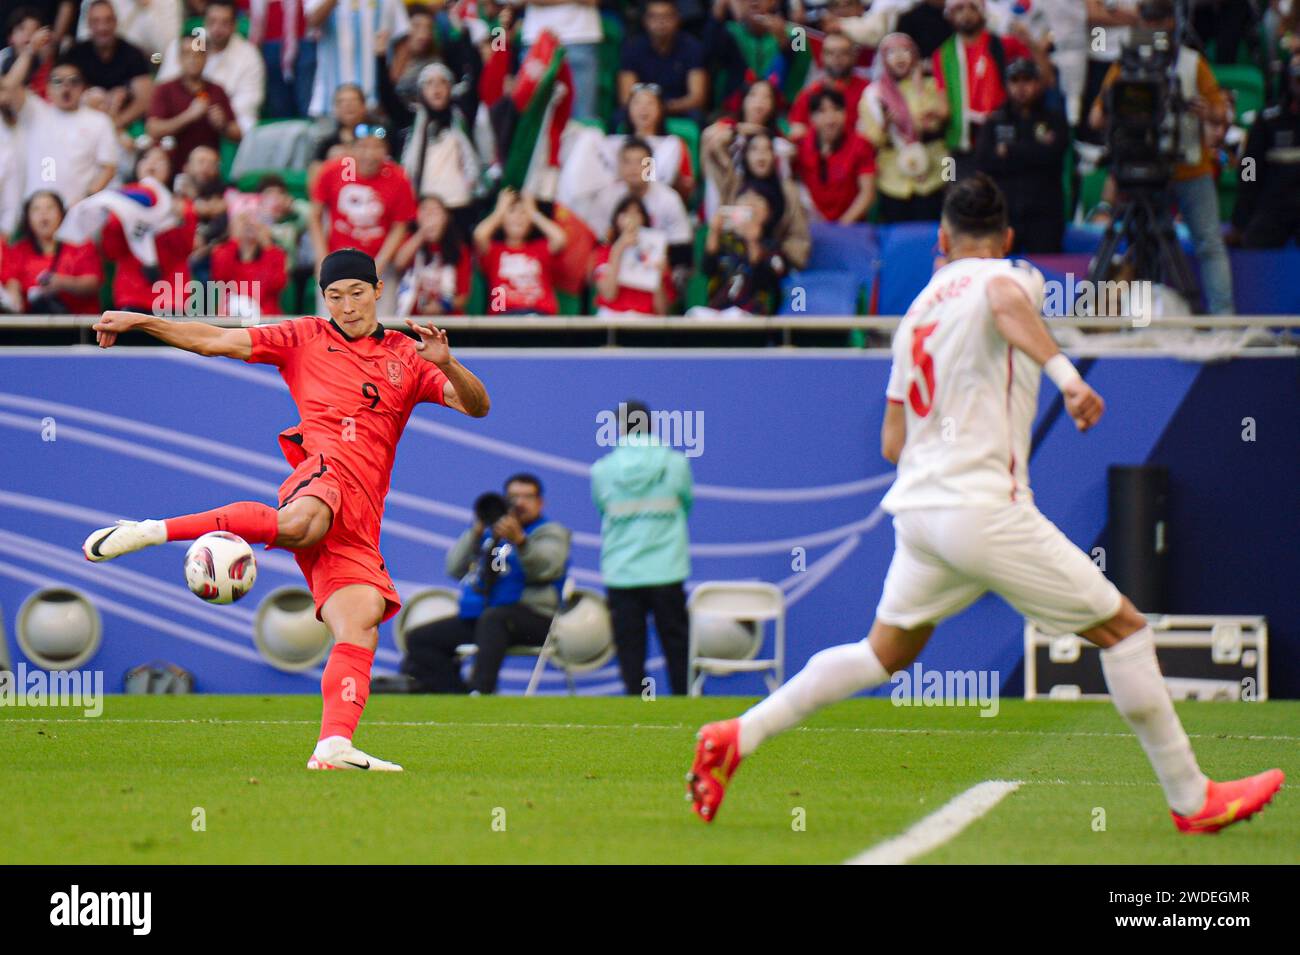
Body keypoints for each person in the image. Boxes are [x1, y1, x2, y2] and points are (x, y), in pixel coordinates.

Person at [685, 174, 1286, 834]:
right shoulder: (1009, 276)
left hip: (919, 516)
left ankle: (736, 733)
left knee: (880, 655)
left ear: (940, 239)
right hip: (979, 507)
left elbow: (892, 440)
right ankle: (1192, 797)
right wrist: (1068, 378)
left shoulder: (916, 311)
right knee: (1125, 630)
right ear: (1005, 239)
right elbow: (1002, 297)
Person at [84, 247, 492, 772]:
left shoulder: (407, 357)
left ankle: (333, 747)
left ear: (377, 291)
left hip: (363, 517)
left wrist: (449, 364)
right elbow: (215, 340)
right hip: (322, 472)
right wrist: (144, 321)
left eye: (356, 293)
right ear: (324, 299)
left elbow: (477, 406)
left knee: (361, 621)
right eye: (335, 296)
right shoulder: (303, 336)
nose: (346, 305)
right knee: (302, 523)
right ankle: (151, 530)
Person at [1087, 0, 1235, 314]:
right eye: (1148, 18)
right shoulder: (1124, 63)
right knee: (1140, 248)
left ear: (1172, 21)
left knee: (1209, 244)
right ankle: (1138, 317)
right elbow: (1095, 119)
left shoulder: (1191, 62)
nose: (1154, 25)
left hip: (1189, 166)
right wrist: (1118, 108)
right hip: (1140, 166)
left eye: (1161, 18)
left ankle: (1224, 320)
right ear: (1140, 20)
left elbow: (1223, 113)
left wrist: (1206, 110)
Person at [401, 474, 571, 694]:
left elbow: (548, 567)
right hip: (486, 617)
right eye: (513, 497)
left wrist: (520, 540)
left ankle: (481, 691)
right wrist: (477, 530)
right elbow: (454, 568)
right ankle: (457, 697)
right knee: (421, 638)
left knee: (495, 618)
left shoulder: (550, 531)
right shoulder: (491, 534)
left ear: (540, 502)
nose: (519, 503)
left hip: (534, 617)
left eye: (526, 497)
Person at [592, 400, 693, 696]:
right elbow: (685, 504)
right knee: (676, 643)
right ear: (650, 423)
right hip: (668, 569)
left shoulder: (603, 469)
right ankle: (683, 703)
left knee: (630, 647)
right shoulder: (676, 463)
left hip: (621, 571)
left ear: (619, 426)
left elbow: (603, 509)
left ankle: (635, 708)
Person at [933, 0, 1053, 179]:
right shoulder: (942, 54)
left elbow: (1046, 80)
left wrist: (1030, 42)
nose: (966, 14)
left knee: (999, 202)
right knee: (958, 199)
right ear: (949, 14)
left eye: (972, 7)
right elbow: (943, 102)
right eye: (959, 8)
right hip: (961, 146)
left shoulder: (1003, 44)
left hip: (1001, 142)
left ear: (983, 12)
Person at [0, 33, 118, 206]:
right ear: (47, 87)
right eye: (58, 81)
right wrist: (30, 51)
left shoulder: (99, 121)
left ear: (83, 87)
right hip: (36, 209)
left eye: (73, 81)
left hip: (77, 210)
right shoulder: (35, 111)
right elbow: (9, 87)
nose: (66, 87)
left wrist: (85, 200)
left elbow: (108, 166)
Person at [975, 57, 1068, 253]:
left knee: (1046, 272)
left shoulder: (1054, 118)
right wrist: (1034, 150)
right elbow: (984, 162)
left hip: (1045, 213)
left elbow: (1053, 157)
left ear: (1038, 83)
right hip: (1007, 213)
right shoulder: (995, 120)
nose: (1021, 87)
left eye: (1027, 80)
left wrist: (1010, 151)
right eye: (1015, 81)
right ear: (1007, 84)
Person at [859, 31, 950, 223]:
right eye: (892, 53)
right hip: (893, 179)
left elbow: (937, 121)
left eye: (905, 51)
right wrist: (885, 126)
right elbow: (873, 138)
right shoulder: (873, 95)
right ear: (883, 59)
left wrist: (919, 90)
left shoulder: (931, 85)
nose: (899, 57)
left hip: (933, 174)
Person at [309, 126, 417, 275]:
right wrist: (321, 257)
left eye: (377, 147)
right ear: (351, 148)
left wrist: (378, 265)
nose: (369, 154)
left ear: (386, 151)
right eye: (363, 146)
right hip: (337, 257)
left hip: (380, 260)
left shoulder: (399, 179)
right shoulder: (331, 171)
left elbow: (400, 226)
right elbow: (315, 215)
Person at [156, 0, 265, 136]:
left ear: (234, 25)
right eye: (212, 21)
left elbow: (247, 106)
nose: (217, 29)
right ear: (204, 21)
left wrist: (213, 114)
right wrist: (188, 113)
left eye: (224, 23)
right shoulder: (186, 44)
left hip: (225, 121)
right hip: (180, 120)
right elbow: (164, 88)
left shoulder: (248, 55)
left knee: (247, 126)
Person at [1229, 54, 1300, 249]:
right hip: (1274, 207)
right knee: (1251, 243)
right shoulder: (1269, 119)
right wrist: (1241, 216)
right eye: (1298, 76)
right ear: (1289, 78)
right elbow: (1249, 165)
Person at [147, 34, 241, 175]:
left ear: (206, 57)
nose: (193, 59)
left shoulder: (216, 90)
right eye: (187, 54)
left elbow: (237, 133)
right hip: (172, 170)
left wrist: (223, 125)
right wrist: (189, 116)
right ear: (179, 58)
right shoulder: (165, 89)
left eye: (198, 54)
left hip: (207, 171)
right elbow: (153, 129)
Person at [1, 189, 103, 314]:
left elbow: (92, 283)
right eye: (36, 209)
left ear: (62, 214)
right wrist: (13, 301)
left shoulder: (81, 245)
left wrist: (62, 283)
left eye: (50, 208)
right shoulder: (18, 251)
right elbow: (13, 285)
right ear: (27, 218)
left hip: (76, 325)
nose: (43, 214)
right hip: (31, 325)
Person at [63, 0, 153, 134]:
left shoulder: (133, 53)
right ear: (88, 24)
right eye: (96, 21)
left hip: (124, 126)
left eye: (108, 20)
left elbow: (145, 98)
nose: (102, 27)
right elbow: (65, 92)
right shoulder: (74, 54)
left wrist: (116, 123)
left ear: (116, 22)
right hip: (82, 126)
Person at [472, 187, 566, 315]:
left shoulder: (539, 249)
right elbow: (479, 235)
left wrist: (533, 212)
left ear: (531, 222)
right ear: (500, 222)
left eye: (523, 212)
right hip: (502, 316)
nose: (518, 217)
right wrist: (499, 211)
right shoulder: (494, 251)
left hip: (539, 316)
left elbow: (560, 238)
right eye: (512, 211)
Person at [795, 87, 877, 223]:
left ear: (845, 113)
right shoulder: (801, 145)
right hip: (814, 226)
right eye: (822, 111)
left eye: (837, 109)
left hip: (852, 227)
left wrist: (840, 227)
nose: (830, 119)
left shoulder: (861, 145)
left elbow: (867, 193)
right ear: (811, 118)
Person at [618, 0, 708, 123]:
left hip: (678, 107)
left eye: (667, 16)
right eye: (654, 17)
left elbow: (697, 97)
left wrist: (663, 107)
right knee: (619, 117)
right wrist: (647, 106)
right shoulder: (633, 48)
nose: (661, 22)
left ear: (677, 18)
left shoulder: (692, 47)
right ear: (645, 20)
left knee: (697, 116)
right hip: (643, 106)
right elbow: (626, 97)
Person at [590, 196, 674, 316]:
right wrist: (618, 250)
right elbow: (608, 294)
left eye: (637, 213)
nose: (631, 218)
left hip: (644, 320)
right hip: (612, 317)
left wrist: (658, 277)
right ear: (616, 219)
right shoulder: (604, 253)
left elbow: (662, 311)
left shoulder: (657, 254)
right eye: (625, 213)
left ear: (644, 219)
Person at [393, 193, 472, 316]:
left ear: (446, 218)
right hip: (413, 318)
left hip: (449, 320)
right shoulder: (411, 241)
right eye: (424, 211)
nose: (430, 216)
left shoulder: (459, 249)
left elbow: (463, 297)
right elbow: (399, 263)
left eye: (435, 211)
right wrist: (422, 234)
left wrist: (442, 307)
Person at [786, 33, 868, 143]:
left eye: (843, 53)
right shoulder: (810, 93)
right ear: (822, 57)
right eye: (831, 53)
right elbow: (796, 131)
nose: (837, 58)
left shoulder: (868, 90)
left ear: (853, 56)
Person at [210, 209, 290, 315]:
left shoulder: (275, 254)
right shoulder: (224, 252)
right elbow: (220, 276)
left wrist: (267, 244)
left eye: (254, 223)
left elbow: (278, 283)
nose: (249, 227)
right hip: (231, 317)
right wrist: (234, 238)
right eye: (245, 223)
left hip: (264, 316)